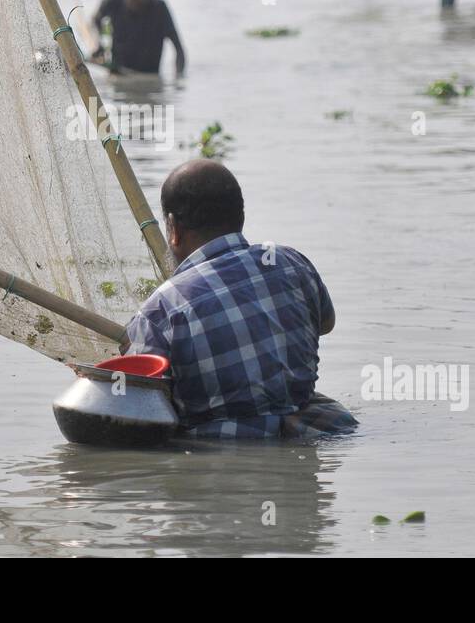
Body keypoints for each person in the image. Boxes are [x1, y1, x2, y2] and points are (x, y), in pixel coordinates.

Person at [123, 160, 355, 438]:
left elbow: (134, 406)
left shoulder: (161, 309)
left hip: (229, 448)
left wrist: (131, 350)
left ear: (172, 228)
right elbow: (326, 324)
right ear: (240, 217)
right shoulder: (291, 262)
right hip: (318, 432)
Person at [91, 0, 185, 75]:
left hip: (150, 79)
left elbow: (179, 50)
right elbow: (94, 22)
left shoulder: (159, 9)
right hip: (119, 75)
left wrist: (178, 78)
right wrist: (99, 45)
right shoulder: (111, 4)